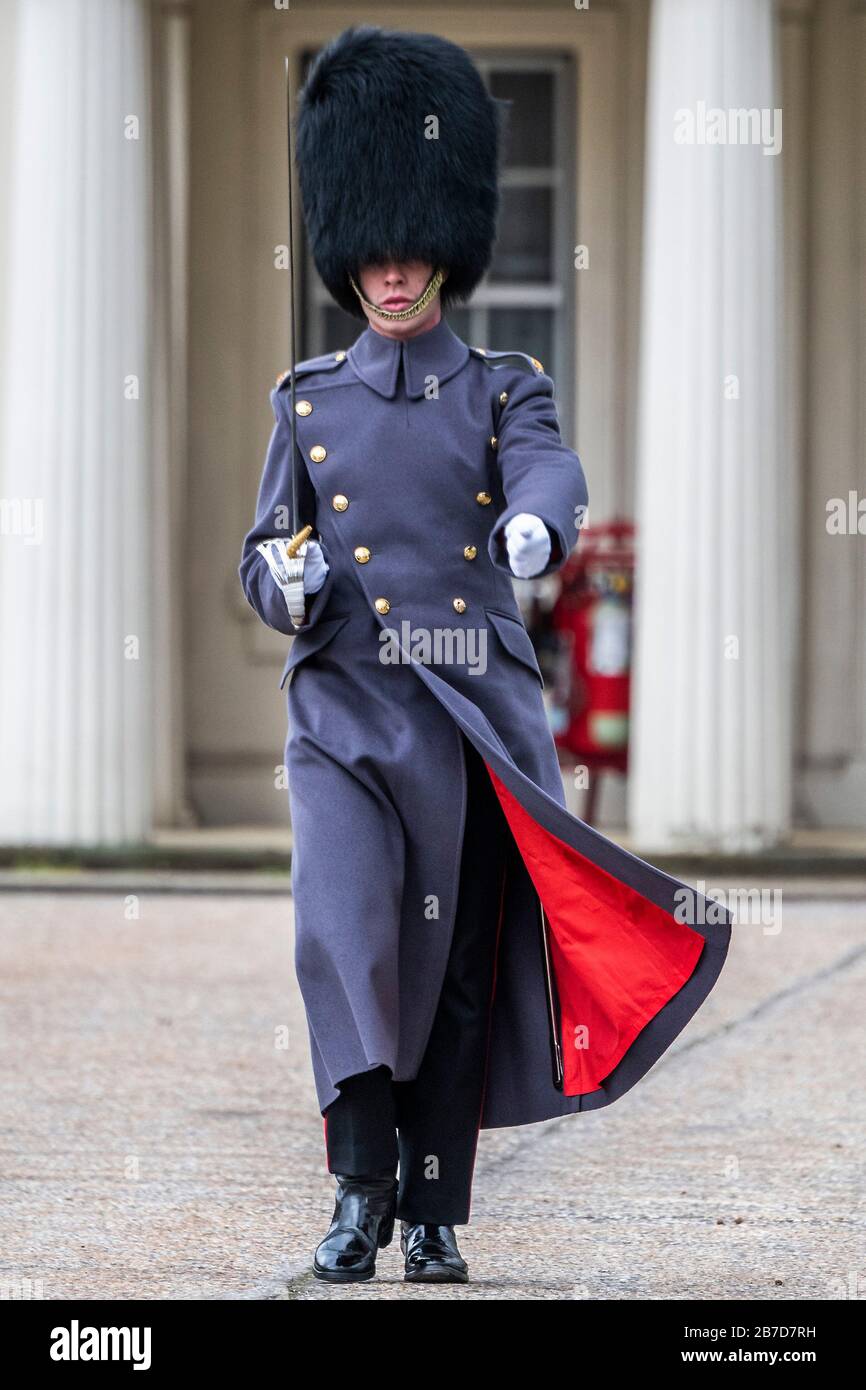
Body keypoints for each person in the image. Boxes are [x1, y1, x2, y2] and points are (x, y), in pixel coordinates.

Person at [239, 25, 731, 1286]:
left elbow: (549, 472)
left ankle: (436, 1206)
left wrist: (533, 522)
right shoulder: (305, 400)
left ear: (444, 251)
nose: (393, 275)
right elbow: (260, 549)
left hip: (459, 714)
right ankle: (357, 1194)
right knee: (339, 937)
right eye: (373, 254)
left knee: (452, 966)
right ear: (348, 255)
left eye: (413, 253)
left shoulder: (502, 387)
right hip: (342, 712)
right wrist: (283, 581)